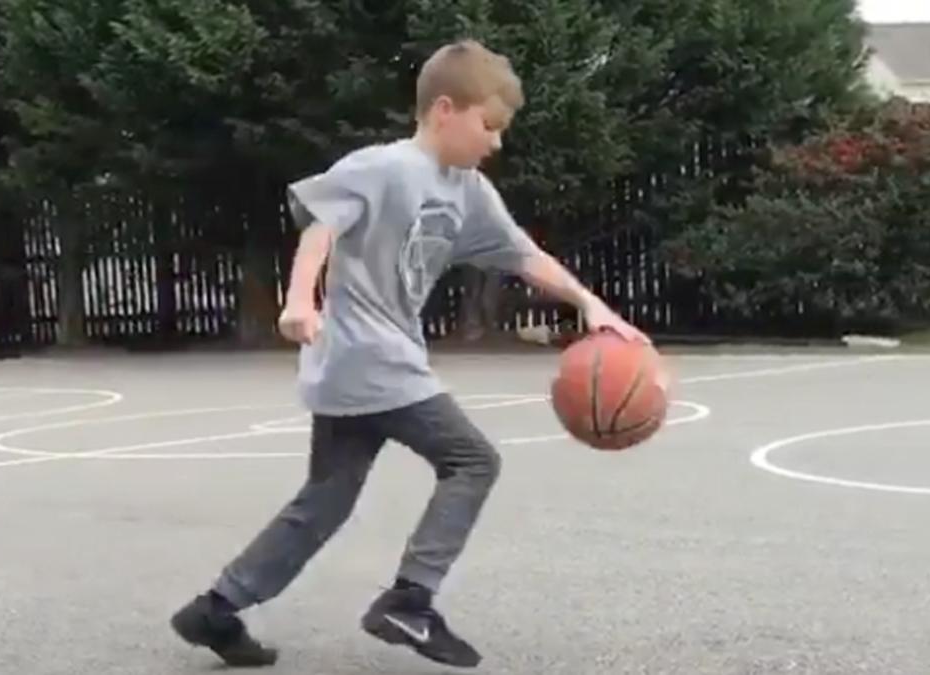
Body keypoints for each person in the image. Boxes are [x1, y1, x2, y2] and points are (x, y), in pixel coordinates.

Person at [170, 38, 648, 669]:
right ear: (444, 109)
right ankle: (410, 601)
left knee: (326, 501)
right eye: (489, 125)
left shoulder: (467, 189)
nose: (496, 142)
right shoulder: (385, 166)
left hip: (352, 366)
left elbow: (524, 255)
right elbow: (322, 226)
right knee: (473, 461)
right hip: (373, 357)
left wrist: (589, 303)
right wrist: (298, 301)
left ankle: (216, 609)